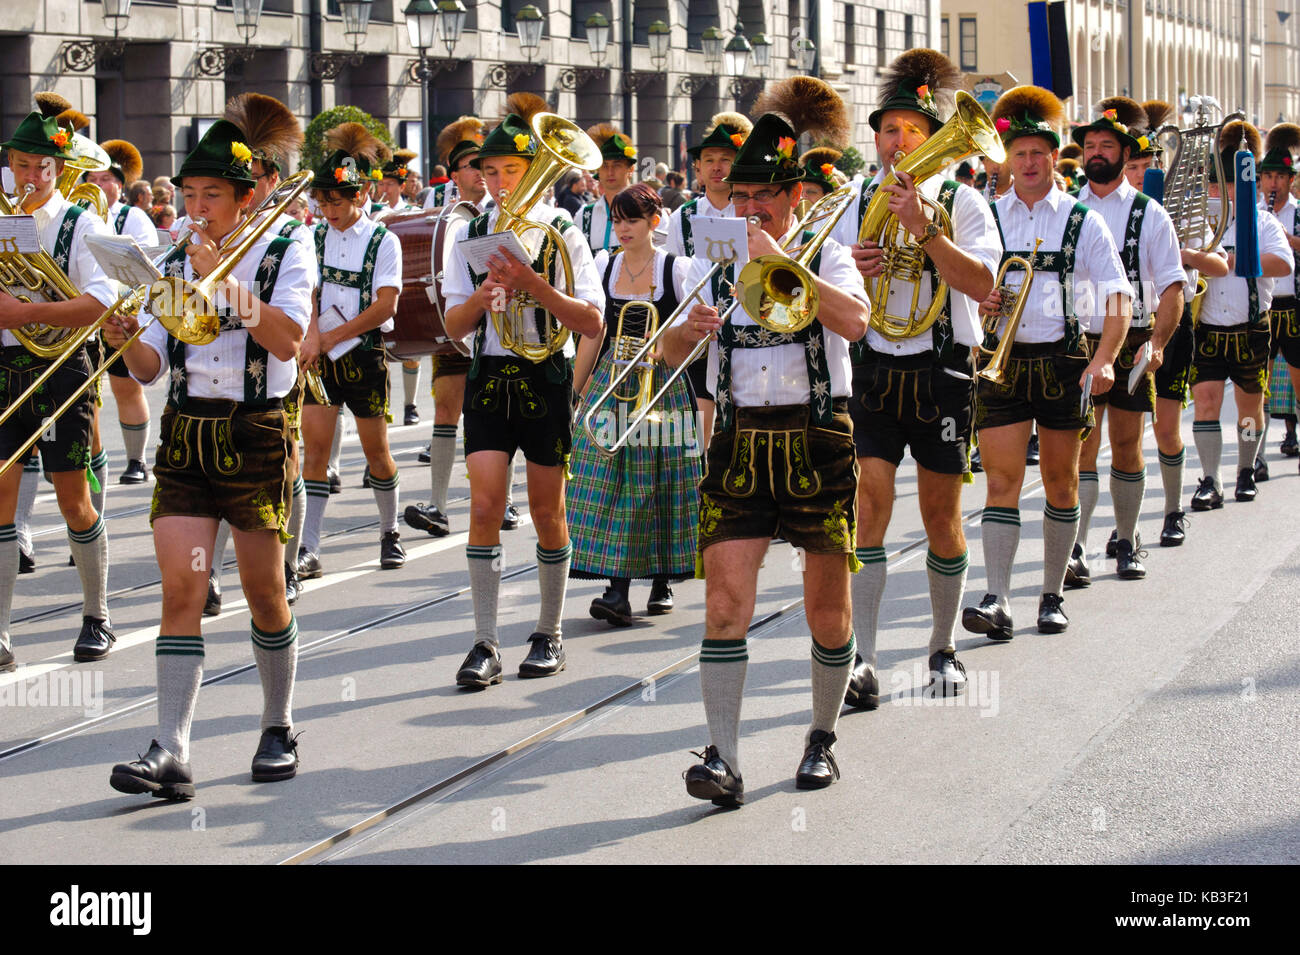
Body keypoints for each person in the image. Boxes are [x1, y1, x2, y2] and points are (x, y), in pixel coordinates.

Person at [665, 76, 869, 804]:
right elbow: (664, 356)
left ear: (792, 201)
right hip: (740, 438)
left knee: (826, 607)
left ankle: (821, 733)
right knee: (724, 603)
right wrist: (685, 334)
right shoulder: (703, 263)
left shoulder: (831, 253)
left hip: (817, 436)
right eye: (741, 199)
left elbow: (854, 323)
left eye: (765, 200)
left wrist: (791, 262)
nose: (750, 211)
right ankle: (722, 756)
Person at [104, 93, 313, 797]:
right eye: (189, 193)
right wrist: (125, 338)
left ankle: (278, 722)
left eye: (212, 194)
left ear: (247, 195)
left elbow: (290, 341)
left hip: (257, 432)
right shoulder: (173, 256)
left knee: (264, 591)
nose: (197, 207)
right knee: (183, 589)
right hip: (188, 434)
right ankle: (172, 747)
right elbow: (153, 365)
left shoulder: (288, 244)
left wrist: (225, 280)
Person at [829, 49, 1002, 704]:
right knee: (868, 506)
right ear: (876, 138)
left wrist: (925, 230)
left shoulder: (965, 201)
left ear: (933, 139)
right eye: (889, 130)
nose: (899, 141)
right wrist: (852, 263)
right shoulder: (851, 201)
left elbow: (981, 285)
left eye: (912, 130)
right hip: (874, 368)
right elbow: (823, 292)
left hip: (942, 370)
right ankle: (864, 658)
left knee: (940, 513)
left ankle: (942, 645)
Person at [441, 92, 604, 687]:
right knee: (484, 508)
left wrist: (531, 281)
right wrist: (482, 299)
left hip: (544, 374)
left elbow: (591, 321)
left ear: (533, 167)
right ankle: (485, 639)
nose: (501, 181)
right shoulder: (472, 231)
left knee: (545, 509)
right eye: (491, 171)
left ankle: (549, 630)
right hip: (489, 374)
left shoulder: (564, 229)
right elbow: (452, 327)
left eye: (512, 169)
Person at [960, 84, 1132, 640]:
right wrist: (978, 297)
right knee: (1002, 482)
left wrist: (1104, 359)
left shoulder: (1083, 219)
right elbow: (961, 284)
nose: (1029, 163)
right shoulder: (987, 215)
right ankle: (999, 597)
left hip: (1063, 361)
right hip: (1002, 363)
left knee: (1061, 482)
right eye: (1020, 154)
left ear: (1055, 158)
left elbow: (1117, 298)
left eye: (1039, 153)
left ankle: (1052, 592)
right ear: (1007, 159)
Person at [0, 104, 121, 672]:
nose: (26, 176)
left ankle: (97, 613)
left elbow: (101, 303)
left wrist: (27, 313)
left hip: (62, 369)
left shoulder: (83, 222)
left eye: (37, 166)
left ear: (56, 167)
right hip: (4, 370)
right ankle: (0, 633)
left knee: (73, 498)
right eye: (18, 164)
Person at [1065, 98, 1188, 585]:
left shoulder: (1148, 212)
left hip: (1133, 334)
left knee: (1127, 443)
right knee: (1080, 446)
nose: (1097, 152)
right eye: (1090, 145)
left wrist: (1158, 342)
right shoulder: (1067, 207)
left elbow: (1174, 286)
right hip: (1076, 338)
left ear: (1123, 152)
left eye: (1106, 145)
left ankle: (1127, 538)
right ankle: (1076, 546)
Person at [206, 95, 317, 615]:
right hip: (207, 391)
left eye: (254, 173)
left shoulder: (291, 235)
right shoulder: (206, 232)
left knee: (286, 464)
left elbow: (301, 305)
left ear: (270, 179)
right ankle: (208, 572)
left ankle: (287, 561)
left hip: (272, 373)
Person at [569, 184, 700, 625]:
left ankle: (661, 578)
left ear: (654, 223)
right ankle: (617, 587)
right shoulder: (604, 263)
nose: (623, 228)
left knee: (658, 479)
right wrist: (578, 388)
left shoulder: (676, 268)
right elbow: (594, 332)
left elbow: (688, 337)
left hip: (659, 382)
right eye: (618, 219)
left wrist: (660, 348)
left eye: (633, 220)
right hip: (612, 378)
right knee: (608, 475)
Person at [296, 122, 406, 579]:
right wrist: (310, 336)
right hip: (320, 358)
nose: (327, 210)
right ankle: (310, 546)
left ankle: (389, 530)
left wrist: (332, 336)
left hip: (362, 354)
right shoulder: (313, 237)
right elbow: (305, 292)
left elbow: (385, 306)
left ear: (359, 196)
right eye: (321, 202)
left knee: (375, 450)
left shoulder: (385, 240)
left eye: (335, 202)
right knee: (315, 452)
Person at [404, 114, 518, 540]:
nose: (478, 173)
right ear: (455, 174)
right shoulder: (445, 213)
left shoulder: (506, 209)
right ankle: (437, 502)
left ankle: (501, 498)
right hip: (456, 320)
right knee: (447, 408)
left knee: (496, 416)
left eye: (483, 166)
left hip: (501, 327)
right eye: (472, 166)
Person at [1189, 121, 1295, 508]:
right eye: (1216, 185)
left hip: (1251, 325)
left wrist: (1229, 260)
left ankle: (1246, 469)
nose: (1222, 192)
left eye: (1229, 184)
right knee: (1206, 402)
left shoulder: (1263, 221)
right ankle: (1210, 479)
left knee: (1250, 406)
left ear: (1242, 186)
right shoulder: (1200, 224)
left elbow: (1283, 265)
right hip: (1209, 327)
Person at [666, 112, 753, 451]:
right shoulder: (682, 217)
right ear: (697, 169)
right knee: (697, 440)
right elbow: (671, 275)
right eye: (710, 160)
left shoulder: (748, 212)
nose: (718, 167)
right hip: (696, 334)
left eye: (726, 160)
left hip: (743, 331)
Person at [84, 138, 158, 486]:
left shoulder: (134, 217)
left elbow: (146, 268)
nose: (97, 186)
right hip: (85, 315)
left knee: (125, 389)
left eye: (104, 180)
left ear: (119, 183)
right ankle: (83, 455)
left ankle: (136, 459)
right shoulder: (78, 216)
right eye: (92, 179)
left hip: (121, 312)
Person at [1257, 123, 1300, 476]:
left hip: (1296, 306)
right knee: (1260, 386)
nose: (1273, 183)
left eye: (1279, 177)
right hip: (1266, 307)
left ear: (1290, 180)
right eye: (1268, 176)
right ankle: (1255, 455)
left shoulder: (1297, 212)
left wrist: (1288, 240)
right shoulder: (1255, 214)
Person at [578, 124, 637, 253]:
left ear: (630, 169)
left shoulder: (647, 210)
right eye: (604, 166)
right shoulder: (583, 215)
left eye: (617, 165)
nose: (610, 172)